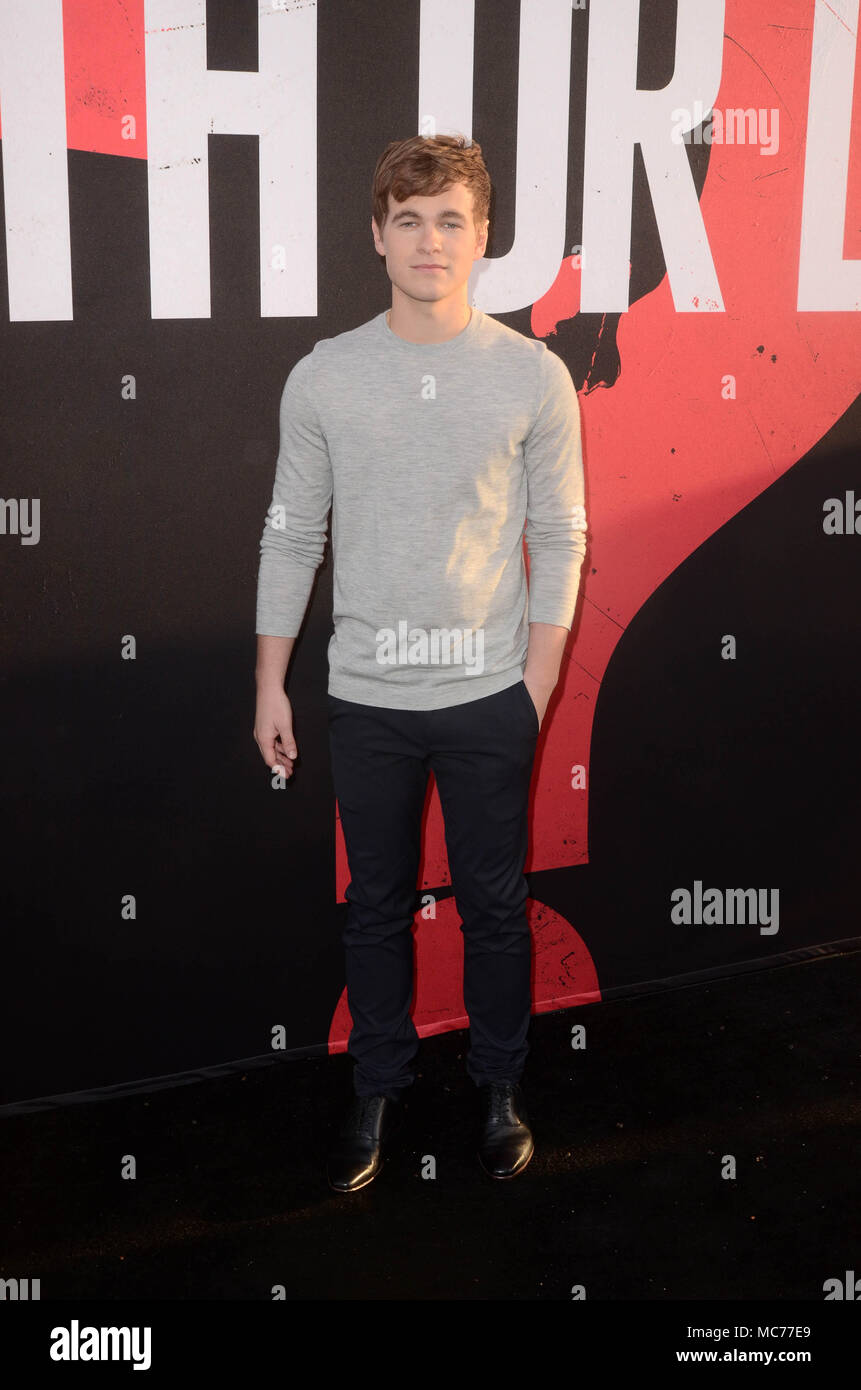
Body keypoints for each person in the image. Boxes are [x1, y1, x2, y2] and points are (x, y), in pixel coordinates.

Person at [254, 133, 587, 1192]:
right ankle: (380, 1085)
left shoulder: (533, 376)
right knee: (378, 907)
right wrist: (269, 680)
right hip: (367, 700)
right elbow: (290, 533)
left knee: (495, 906)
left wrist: (531, 686)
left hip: (490, 695)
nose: (430, 239)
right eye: (409, 218)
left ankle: (498, 1085)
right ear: (377, 236)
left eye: (451, 219)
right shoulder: (326, 377)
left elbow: (562, 533)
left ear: (482, 237)